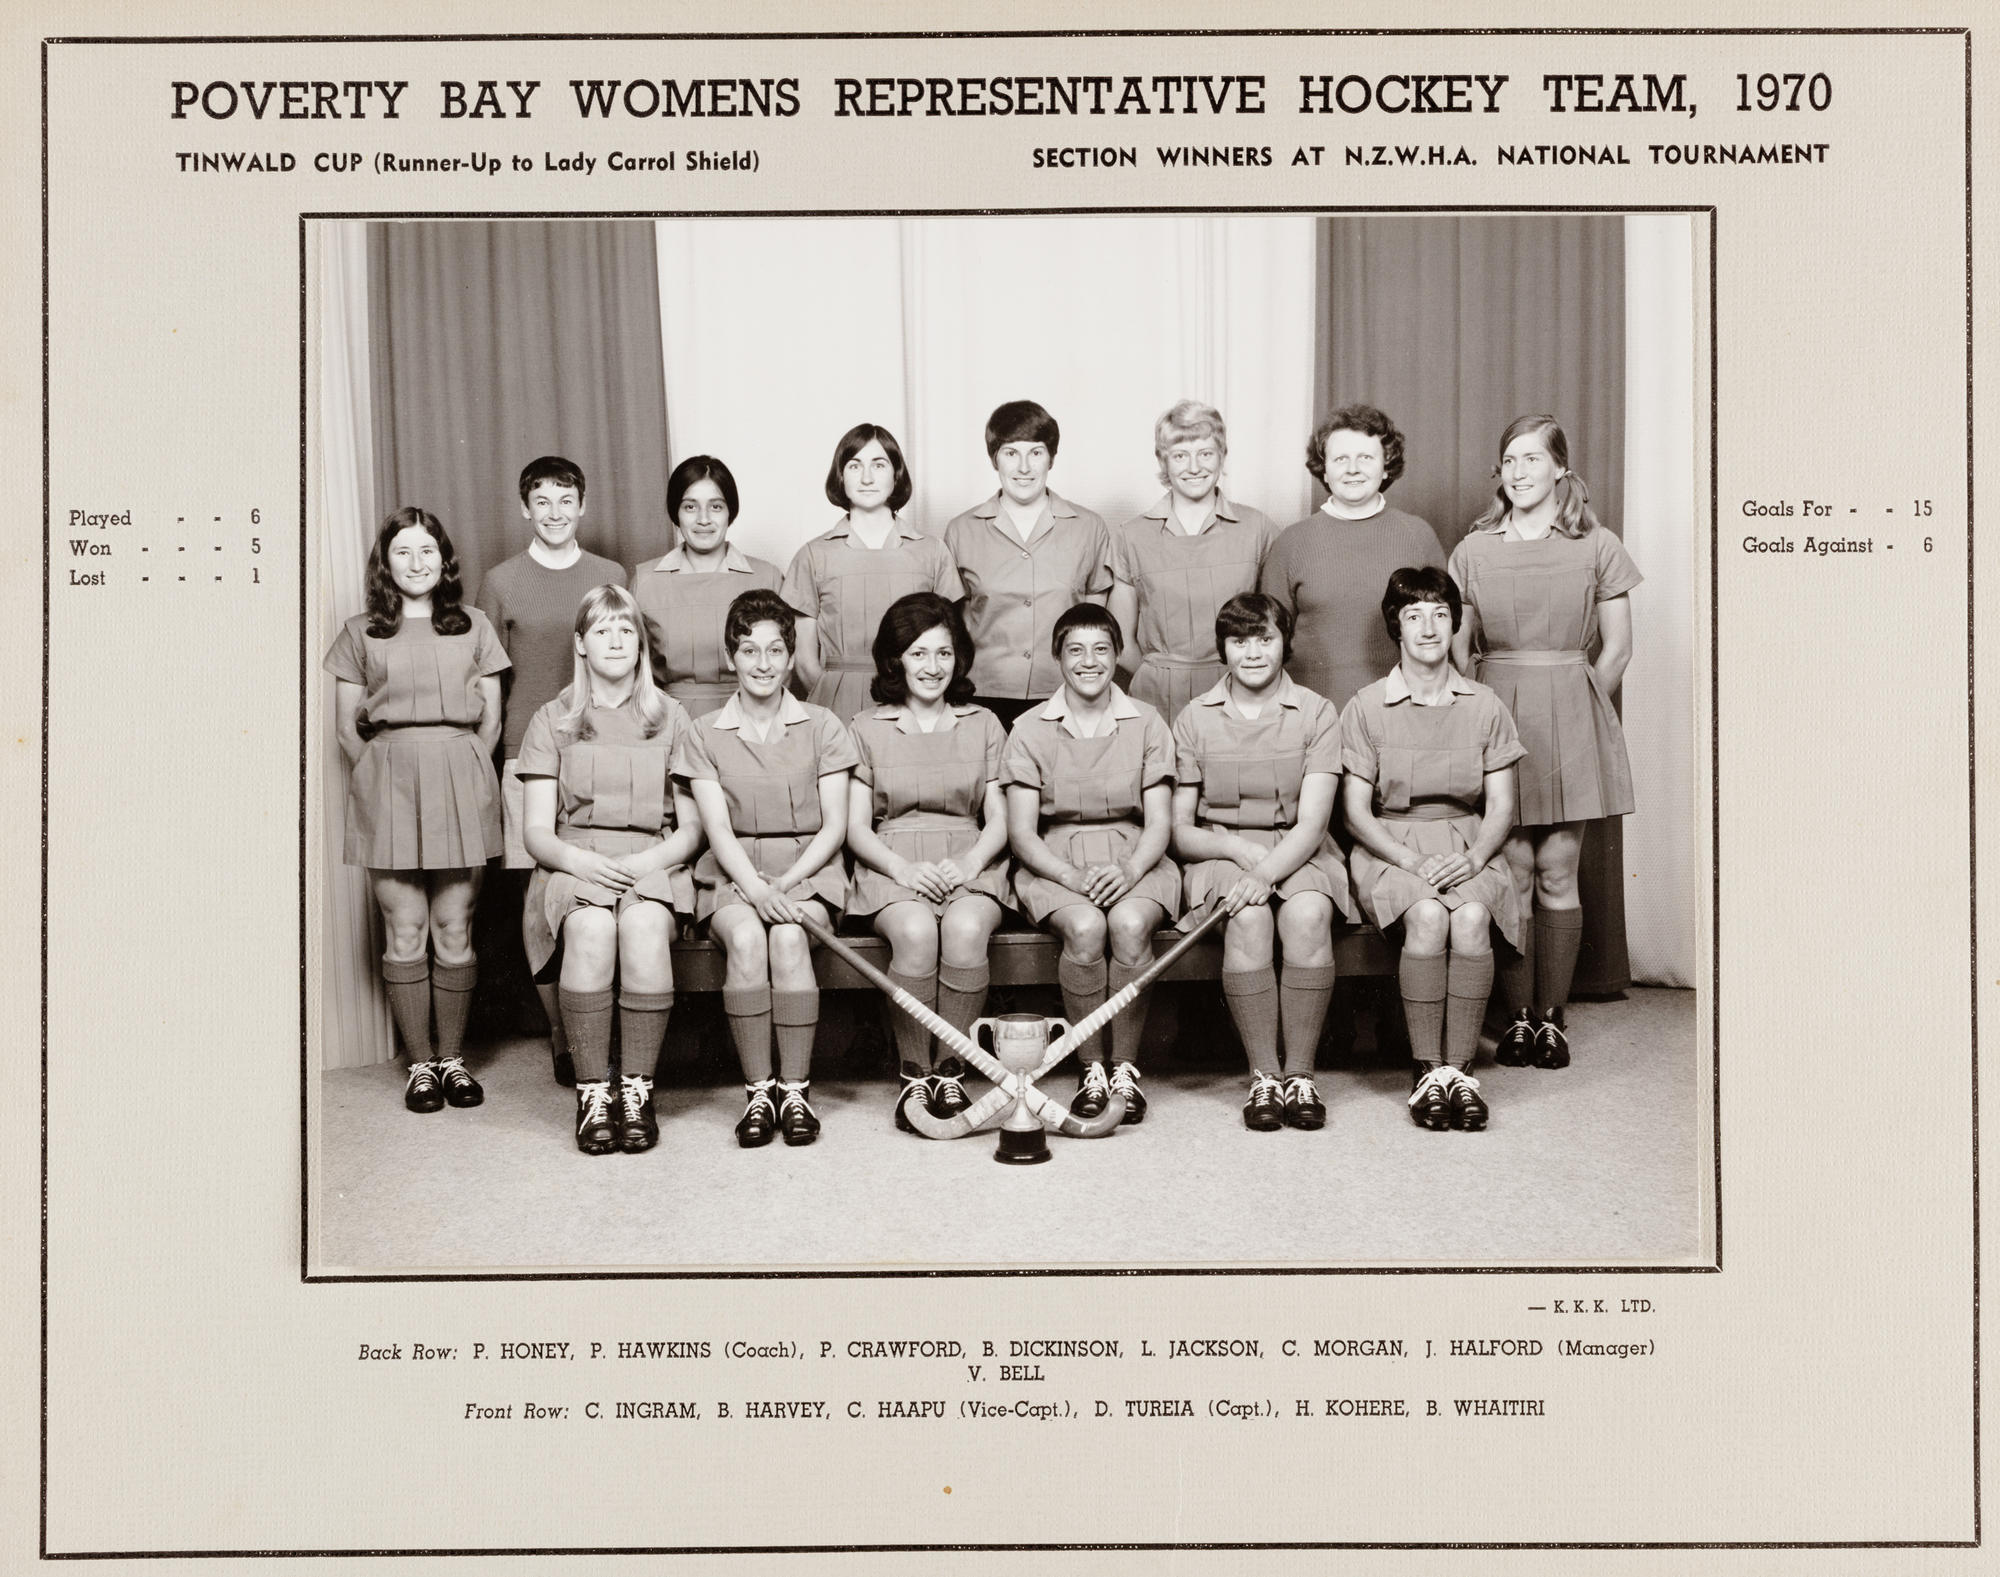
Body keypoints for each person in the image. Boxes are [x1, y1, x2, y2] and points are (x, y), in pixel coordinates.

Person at [1448, 414, 1641, 1069]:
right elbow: (1456, 649)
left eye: (1532, 458)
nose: (1519, 471)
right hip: (1495, 705)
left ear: (1562, 467)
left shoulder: (1597, 543)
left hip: (1569, 712)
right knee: (1513, 872)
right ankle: (1520, 1018)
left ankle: (1552, 1018)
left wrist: (1579, 705)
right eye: (1509, 459)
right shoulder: (1473, 549)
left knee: (1557, 867)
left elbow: (1616, 649)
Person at [324, 508, 509, 1114]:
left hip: (459, 774)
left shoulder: (476, 625)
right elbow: (347, 730)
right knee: (405, 928)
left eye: (427, 550)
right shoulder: (359, 632)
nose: (416, 562)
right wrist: (381, 777)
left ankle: (452, 1060)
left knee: (454, 926)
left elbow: (492, 718)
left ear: (444, 558)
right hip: (389, 780)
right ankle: (420, 1066)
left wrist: (466, 773)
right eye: (403, 551)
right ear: (385, 562)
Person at [519, 585, 702, 1156]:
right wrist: (584, 862)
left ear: (641, 644)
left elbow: (693, 830)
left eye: (627, 630)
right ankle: (593, 1089)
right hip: (575, 858)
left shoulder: (672, 716)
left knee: (644, 927)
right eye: (603, 630)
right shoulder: (553, 718)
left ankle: (637, 1090)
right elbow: (536, 834)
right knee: (593, 927)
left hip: (655, 855)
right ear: (581, 643)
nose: (616, 641)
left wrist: (648, 862)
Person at [1341, 568, 1524, 1131]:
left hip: (1468, 842)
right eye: (1414, 614)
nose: (1428, 627)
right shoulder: (1367, 705)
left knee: (1469, 916)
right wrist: (1410, 860)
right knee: (1424, 914)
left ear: (1455, 624)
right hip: (1391, 845)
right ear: (1395, 625)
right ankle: (1427, 1072)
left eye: (1441, 614)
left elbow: (1501, 808)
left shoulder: (1486, 704)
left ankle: (1460, 1071)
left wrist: (1471, 860)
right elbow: (1355, 811)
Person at [675, 589, 857, 1147]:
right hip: (734, 874)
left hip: (809, 870)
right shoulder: (703, 732)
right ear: (730, 657)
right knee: (751, 940)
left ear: (790, 655)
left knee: (788, 938)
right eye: (749, 650)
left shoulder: (823, 725)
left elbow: (834, 826)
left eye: (775, 650)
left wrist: (791, 884)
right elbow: (716, 830)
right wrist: (755, 889)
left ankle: (795, 1091)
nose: (763, 663)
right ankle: (759, 1091)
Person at [475, 455, 630, 1087]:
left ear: (583, 506)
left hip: (606, 750)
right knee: (541, 895)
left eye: (566, 500)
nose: (556, 512)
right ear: (524, 509)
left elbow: (626, 655)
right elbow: (490, 679)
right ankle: (564, 1037)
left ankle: (605, 1024)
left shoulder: (611, 574)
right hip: (526, 753)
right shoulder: (501, 581)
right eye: (543, 501)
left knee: (599, 889)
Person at [1170, 593, 1351, 1132]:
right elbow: (1181, 831)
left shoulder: (1316, 711)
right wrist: (1234, 852)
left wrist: (1265, 872)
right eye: (1239, 641)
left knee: (1308, 913)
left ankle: (1300, 1074)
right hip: (1221, 851)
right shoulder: (1195, 718)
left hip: (1298, 849)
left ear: (1284, 644)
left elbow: (1314, 824)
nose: (1252, 653)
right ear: (1222, 649)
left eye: (1265, 639)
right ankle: (1264, 1076)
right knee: (1246, 917)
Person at [1004, 604, 1179, 1123]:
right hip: (1055, 859)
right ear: (1057, 657)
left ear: (1118, 655)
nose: (1089, 661)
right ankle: (1090, 1068)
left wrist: (1128, 870)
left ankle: (1124, 1067)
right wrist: (1069, 876)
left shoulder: (1147, 721)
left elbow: (1160, 822)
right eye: (1075, 650)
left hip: (1135, 854)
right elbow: (1020, 832)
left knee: (1127, 924)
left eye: (1101, 649)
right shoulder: (1030, 728)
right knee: (1084, 926)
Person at [845, 593, 1011, 1131]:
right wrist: (902, 870)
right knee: (915, 930)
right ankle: (915, 1073)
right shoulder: (866, 727)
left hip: (969, 856)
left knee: (965, 927)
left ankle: (952, 1072)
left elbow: (1000, 819)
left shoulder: (984, 722)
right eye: (918, 654)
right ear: (895, 659)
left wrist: (968, 864)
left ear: (958, 657)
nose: (932, 667)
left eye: (943, 653)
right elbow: (854, 827)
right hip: (892, 858)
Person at [1259, 405, 1446, 711]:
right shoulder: (1291, 543)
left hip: (1402, 712)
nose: (1353, 469)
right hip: (1313, 715)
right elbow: (1267, 641)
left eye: (1366, 458)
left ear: (1386, 466)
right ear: (1324, 469)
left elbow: (1443, 632)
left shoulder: (1417, 535)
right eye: (1341, 459)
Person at [942, 400, 1115, 727]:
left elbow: (1096, 622)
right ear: (994, 459)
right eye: (1010, 453)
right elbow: (953, 628)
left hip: (1068, 693)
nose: (1024, 467)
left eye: (1035, 452)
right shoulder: (960, 530)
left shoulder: (1089, 528)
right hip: (982, 697)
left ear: (1051, 457)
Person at [1109, 399, 1281, 719]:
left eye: (1205, 453)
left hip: (1239, 690)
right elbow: (1121, 641)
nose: (1193, 467)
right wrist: (1157, 676)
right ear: (1163, 461)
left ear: (1222, 456)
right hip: (1154, 697)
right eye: (1180, 456)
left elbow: (1279, 629)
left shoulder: (1258, 529)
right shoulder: (1130, 536)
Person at [786, 424, 963, 721]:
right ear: (840, 476)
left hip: (914, 698)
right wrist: (831, 694)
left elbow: (952, 643)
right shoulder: (813, 555)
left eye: (878, 465)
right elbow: (803, 659)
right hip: (836, 700)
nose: (867, 477)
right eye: (855, 465)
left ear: (896, 474)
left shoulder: (932, 552)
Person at [632, 456, 786, 717]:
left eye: (716, 507)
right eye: (690, 507)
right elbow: (633, 670)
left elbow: (786, 666)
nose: (704, 519)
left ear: (730, 512)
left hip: (754, 717)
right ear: (675, 513)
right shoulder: (645, 581)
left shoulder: (767, 577)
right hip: (668, 719)